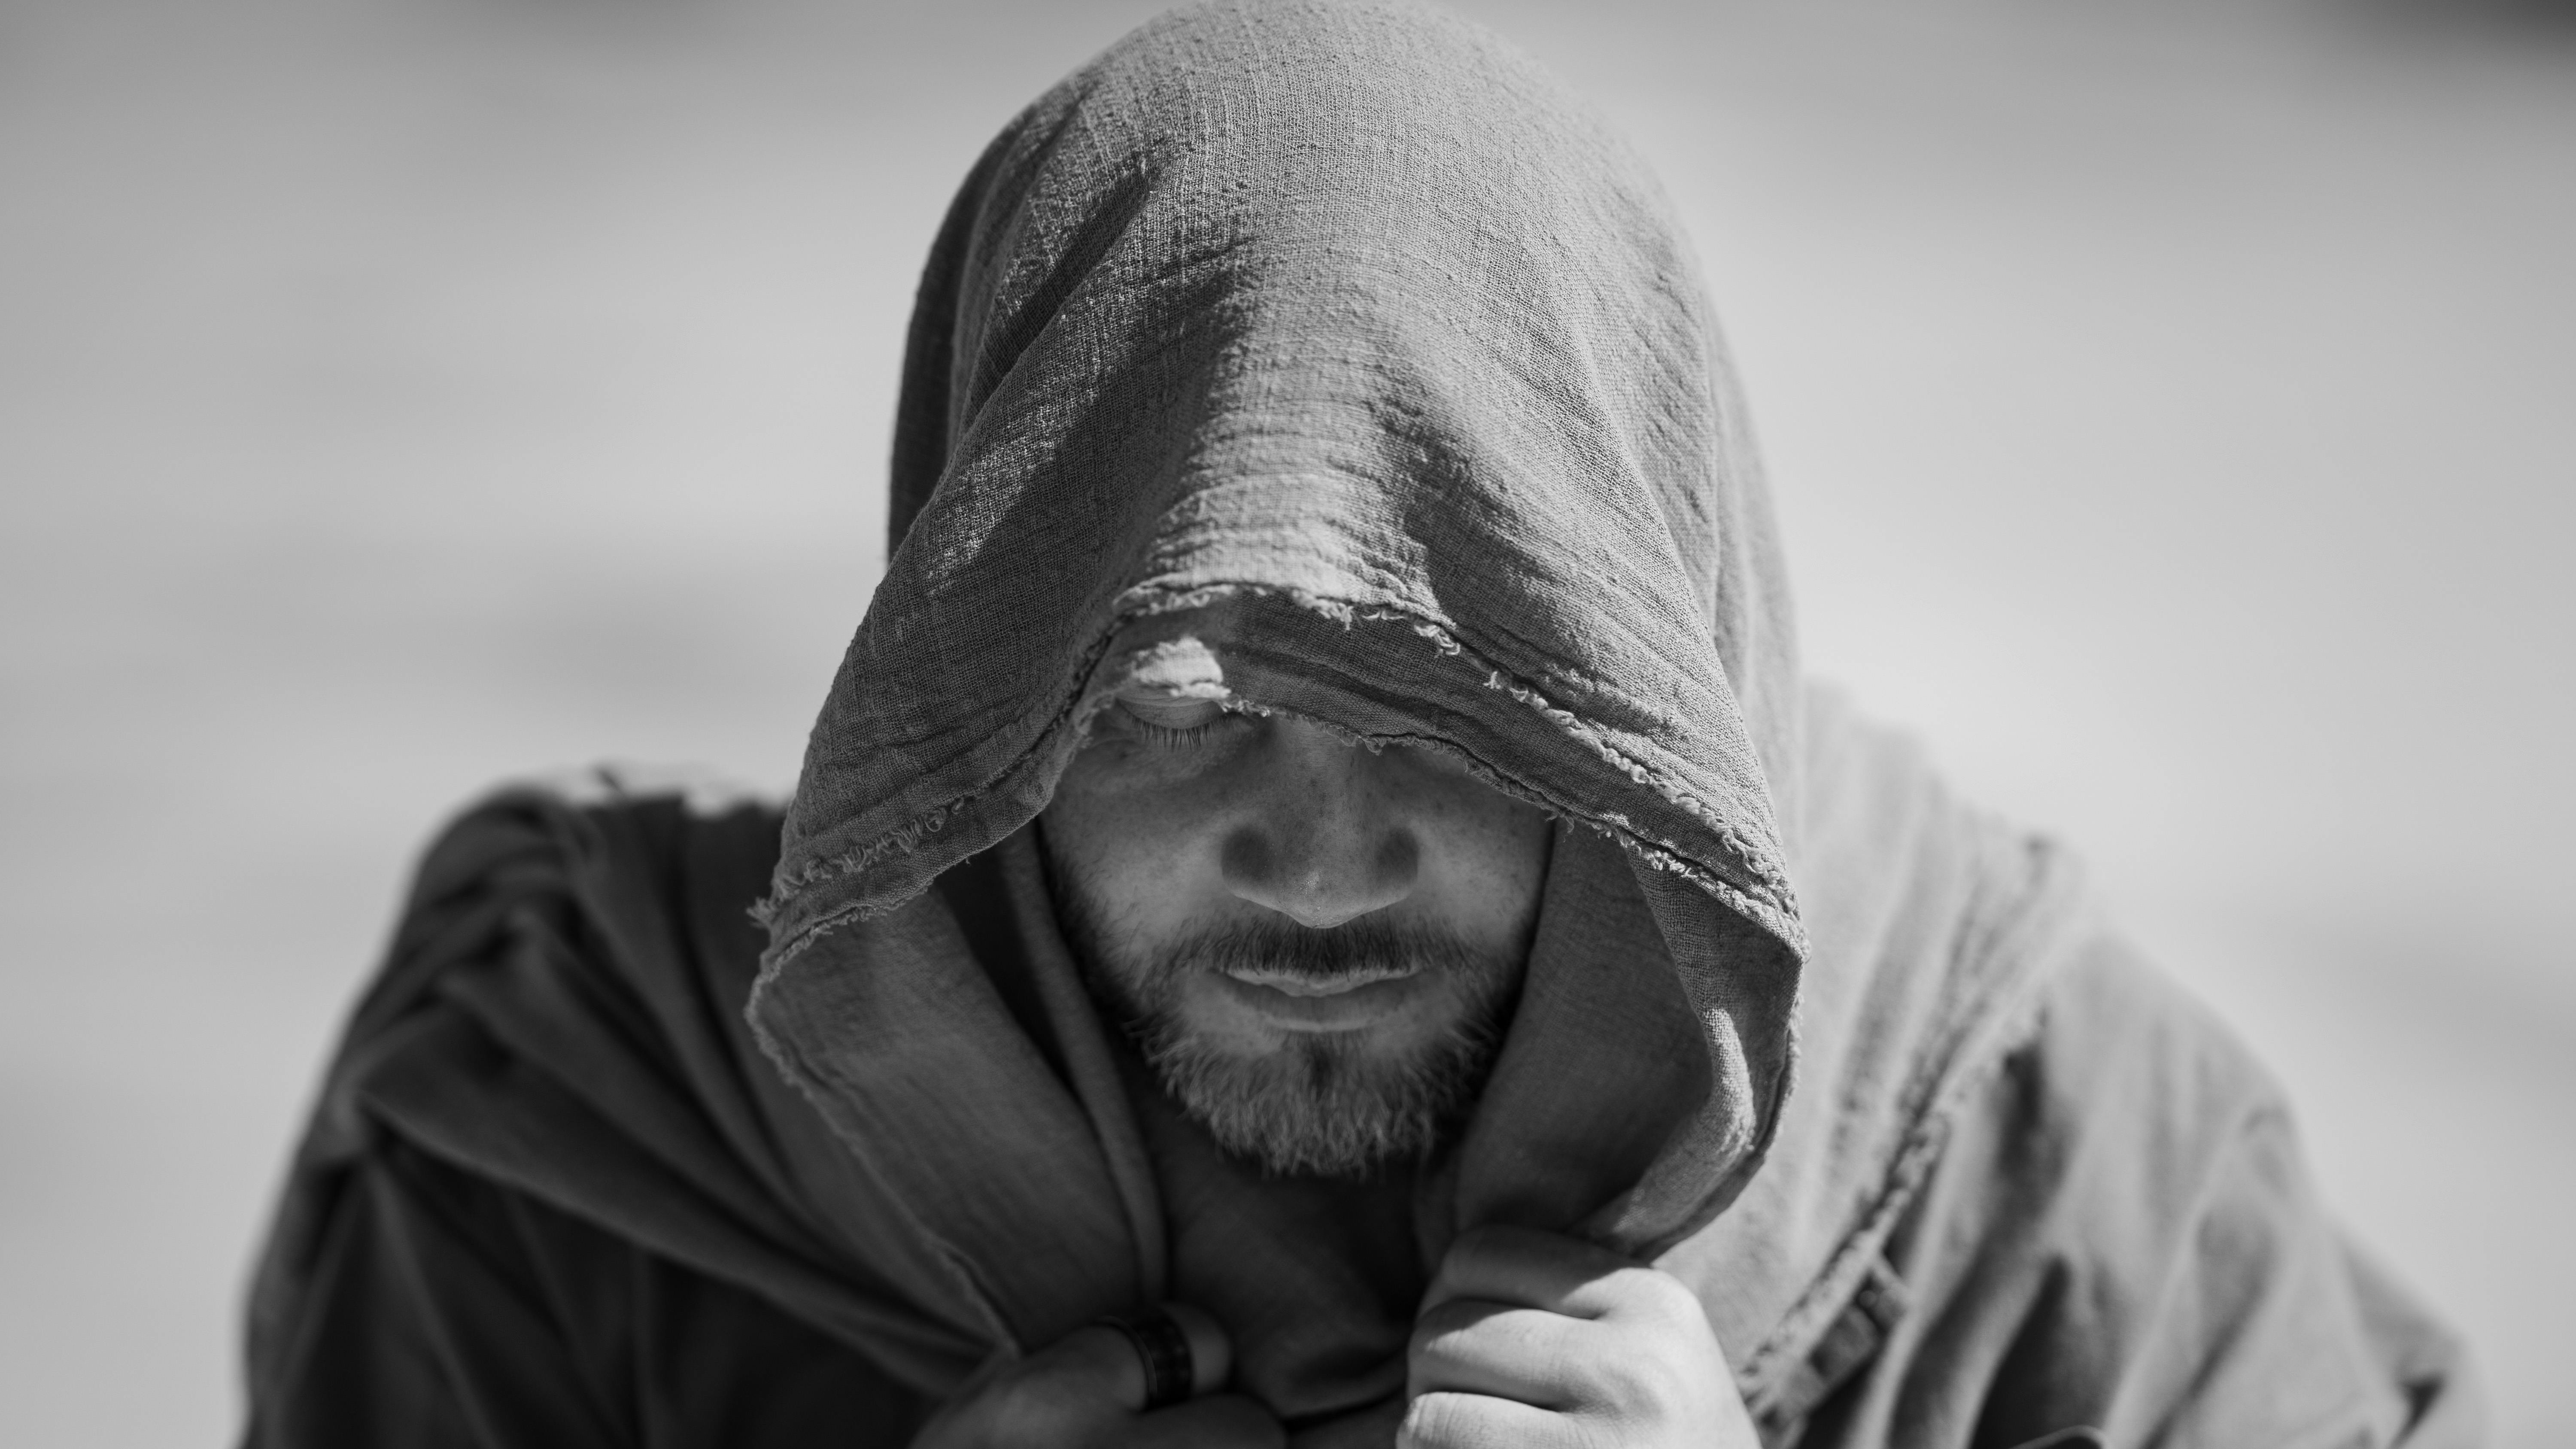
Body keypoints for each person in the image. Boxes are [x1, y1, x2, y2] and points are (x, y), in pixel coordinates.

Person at [237, 3, 2480, 1446]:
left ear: (1649, 688)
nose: (1320, 858)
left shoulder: (2073, 1190)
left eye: (1469, 719)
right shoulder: (576, 1126)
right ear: (973, 679)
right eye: (1164, 713)